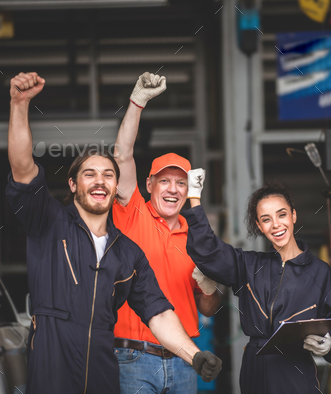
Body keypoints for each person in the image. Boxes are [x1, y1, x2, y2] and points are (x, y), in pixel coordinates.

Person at [6, 72, 221, 394]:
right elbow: (23, 167)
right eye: (89, 173)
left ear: (114, 187)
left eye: (108, 175)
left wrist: (195, 355)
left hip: (103, 374)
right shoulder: (48, 222)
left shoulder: (127, 253)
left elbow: (158, 312)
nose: (100, 180)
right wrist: (20, 104)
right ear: (72, 184)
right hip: (55, 371)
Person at [182, 175, 331, 394]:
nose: (276, 224)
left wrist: (330, 341)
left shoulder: (319, 271)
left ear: (294, 215)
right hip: (255, 368)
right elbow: (209, 252)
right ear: (259, 226)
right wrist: (194, 197)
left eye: (282, 215)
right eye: (266, 219)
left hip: (296, 370)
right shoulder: (248, 265)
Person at [111, 72, 222, 394]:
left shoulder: (197, 234)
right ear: (149, 185)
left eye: (180, 182)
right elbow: (122, 156)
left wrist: (210, 288)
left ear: (188, 190)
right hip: (131, 356)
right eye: (164, 180)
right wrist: (137, 103)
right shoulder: (132, 213)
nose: (173, 189)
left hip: (185, 359)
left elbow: (209, 309)